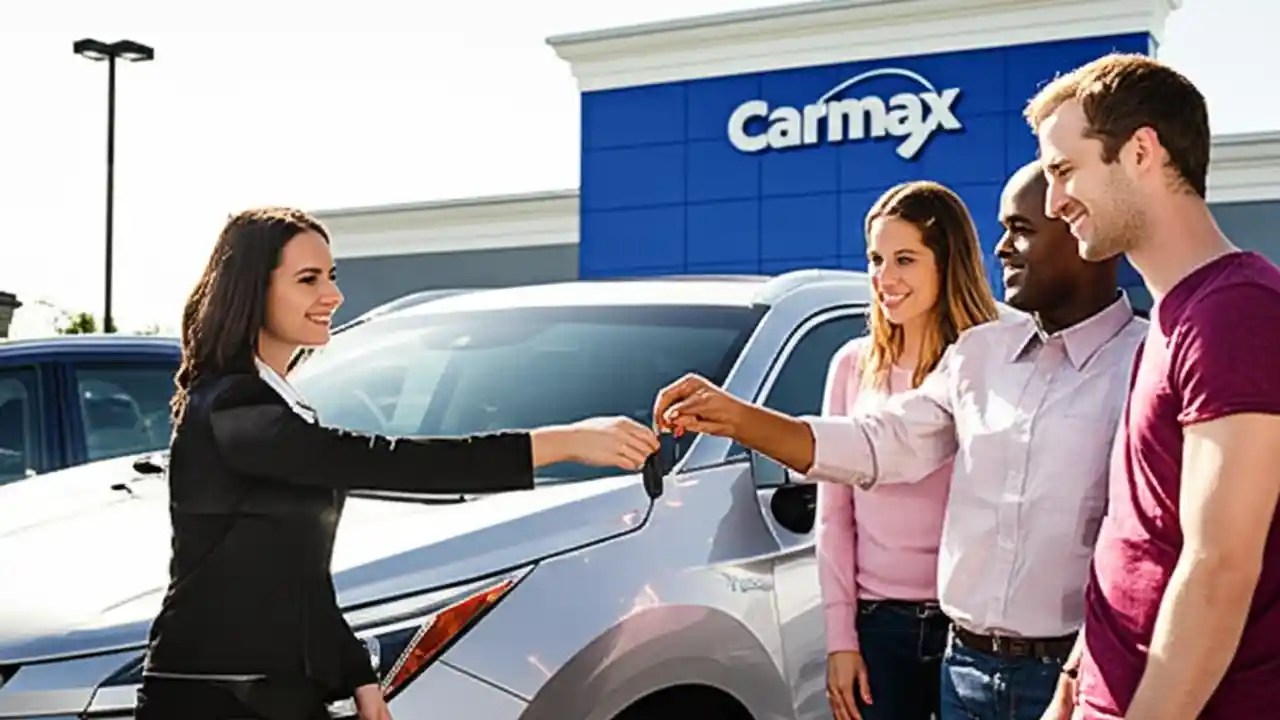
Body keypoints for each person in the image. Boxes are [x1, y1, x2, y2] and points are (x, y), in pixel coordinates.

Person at [652, 162, 1146, 720]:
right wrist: (737, 417)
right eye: (1003, 229)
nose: (1003, 248)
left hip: (1070, 675)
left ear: (1088, 232)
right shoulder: (981, 356)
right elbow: (877, 447)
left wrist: (1086, 669)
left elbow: (1155, 546)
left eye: (1022, 230)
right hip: (965, 669)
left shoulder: (1149, 362)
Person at [135, 207, 659, 720]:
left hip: (272, 692)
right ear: (253, 289)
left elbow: (297, 576)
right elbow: (394, 465)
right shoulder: (235, 408)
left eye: (332, 276)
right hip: (214, 695)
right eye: (308, 279)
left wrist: (360, 678)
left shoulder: (273, 404)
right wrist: (563, 442)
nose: (333, 295)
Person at [1025, 53, 1280, 720]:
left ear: (1141, 151)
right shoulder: (1171, 317)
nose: (1054, 203)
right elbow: (1140, 532)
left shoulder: (1238, 312)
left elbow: (1219, 565)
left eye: (1065, 170)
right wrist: (1076, 678)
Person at [815, 181, 999, 720]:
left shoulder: (988, 362)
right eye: (876, 259)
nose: (884, 278)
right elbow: (833, 518)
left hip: (969, 630)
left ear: (948, 263)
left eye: (905, 259)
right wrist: (839, 639)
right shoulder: (851, 365)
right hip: (880, 630)